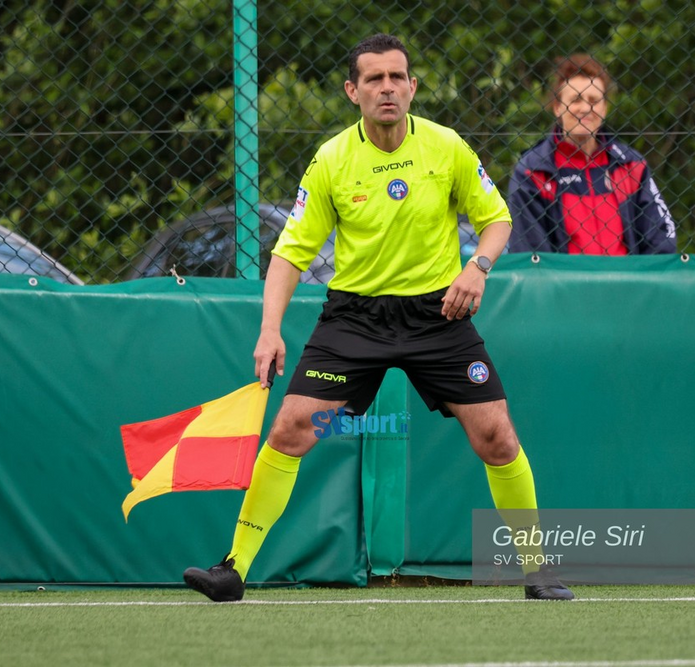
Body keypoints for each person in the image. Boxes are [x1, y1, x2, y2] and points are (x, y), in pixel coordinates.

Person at [183, 33, 573, 602]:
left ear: (412, 87)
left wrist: (478, 268)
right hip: (354, 322)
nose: (387, 88)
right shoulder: (332, 160)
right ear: (352, 90)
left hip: (437, 316)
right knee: (294, 429)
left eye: (397, 77)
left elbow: (496, 219)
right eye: (374, 79)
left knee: (495, 436)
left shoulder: (447, 147)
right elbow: (291, 252)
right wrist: (270, 329)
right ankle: (232, 569)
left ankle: (537, 571)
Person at [508, 53, 676, 255]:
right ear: (558, 107)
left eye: (594, 100)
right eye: (576, 99)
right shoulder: (533, 172)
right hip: (566, 286)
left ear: (604, 109)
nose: (585, 108)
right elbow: (530, 254)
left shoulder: (631, 166)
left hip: (628, 284)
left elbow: (661, 240)